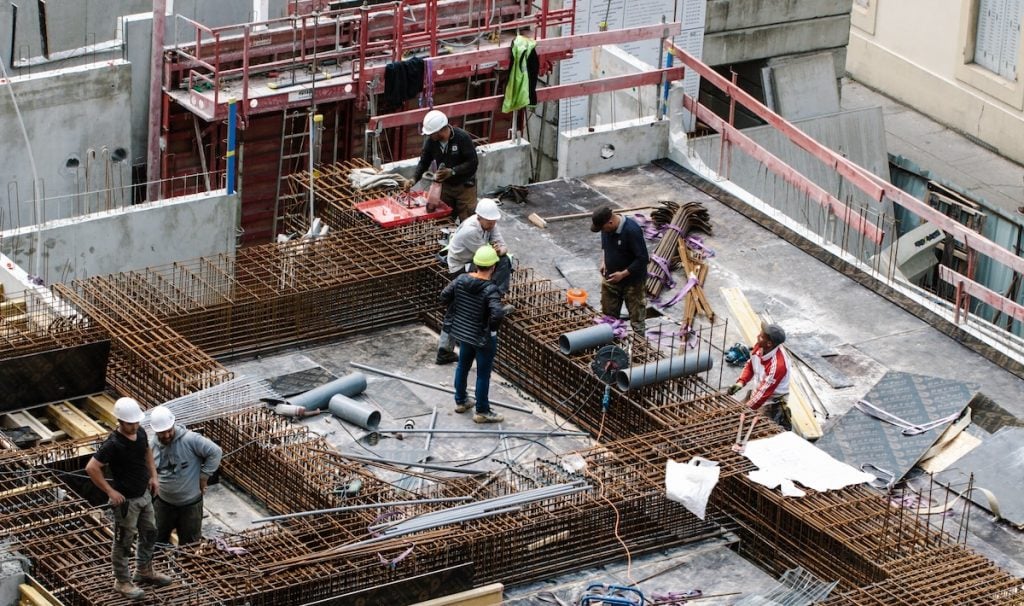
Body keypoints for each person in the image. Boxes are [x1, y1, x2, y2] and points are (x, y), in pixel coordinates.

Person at [85, 397, 173, 600]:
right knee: (124, 540)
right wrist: (110, 491)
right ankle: (122, 581)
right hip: (127, 502)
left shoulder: (140, 432)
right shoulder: (113, 444)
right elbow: (91, 467)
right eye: (130, 423)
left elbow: (147, 452)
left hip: (143, 494)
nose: (134, 426)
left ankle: (144, 570)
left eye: (136, 422)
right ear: (120, 421)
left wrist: (154, 477)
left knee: (150, 533)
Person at [435, 198, 514, 364]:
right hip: (460, 268)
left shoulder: (490, 223)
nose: (493, 225)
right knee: (456, 306)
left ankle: (494, 299)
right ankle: (444, 350)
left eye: (494, 221)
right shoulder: (470, 230)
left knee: (504, 260)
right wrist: (498, 250)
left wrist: (500, 249)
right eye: (490, 221)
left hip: (475, 262)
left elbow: (502, 248)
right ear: (479, 217)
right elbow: (486, 257)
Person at [440, 245, 507, 424]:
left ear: (475, 264)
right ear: (493, 267)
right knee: (483, 374)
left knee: (463, 365)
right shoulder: (490, 289)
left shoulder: (461, 279)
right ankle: (482, 411)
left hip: (464, 333)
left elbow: (444, 296)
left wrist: (459, 312)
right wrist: (491, 329)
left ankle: (461, 401)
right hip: (483, 337)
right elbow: (497, 314)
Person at [149, 405, 223, 545]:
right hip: (163, 504)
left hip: (190, 505)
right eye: (162, 433)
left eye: (169, 431)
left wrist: (204, 476)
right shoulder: (151, 446)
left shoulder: (190, 440)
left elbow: (215, 452)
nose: (166, 435)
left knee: (190, 546)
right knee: (156, 542)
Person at [591, 206, 649, 336]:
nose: (603, 231)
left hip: (633, 283)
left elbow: (643, 258)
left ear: (610, 222)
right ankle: (610, 347)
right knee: (608, 318)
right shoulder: (605, 228)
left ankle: (638, 350)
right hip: (611, 279)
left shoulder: (631, 230)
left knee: (637, 320)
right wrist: (604, 261)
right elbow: (605, 245)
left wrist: (622, 274)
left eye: (603, 228)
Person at [413, 109, 479, 221]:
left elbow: (472, 162)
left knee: (468, 220)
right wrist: (414, 178)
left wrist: (453, 171)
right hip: (446, 187)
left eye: (431, 133)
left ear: (439, 131)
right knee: (443, 220)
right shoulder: (431, 142)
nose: (429, 136)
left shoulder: (462, 138)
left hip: (465, 187)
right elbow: (424, 162)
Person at [727, 323, 792, 431]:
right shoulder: (760, 347)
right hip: (759, 391)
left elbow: (763, 394)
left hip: (771, 400)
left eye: (761, 337)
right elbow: (750, 365)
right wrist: (741, 382)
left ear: (769, 344)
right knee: (735, 417)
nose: (757, 337)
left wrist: (745, 409)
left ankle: (779, 416)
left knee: (757, 430)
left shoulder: (778, 366)